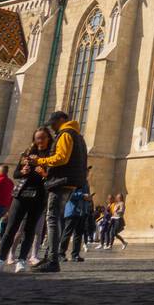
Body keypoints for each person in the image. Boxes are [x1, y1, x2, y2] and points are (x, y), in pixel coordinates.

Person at [27, 110, 89, 273]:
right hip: (70, 182)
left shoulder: (66, 134)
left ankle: (53, 259)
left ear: (62, 120)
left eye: (54, 123)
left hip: (61, 181)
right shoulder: (78, 136)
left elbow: (61, 157)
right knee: (56, 218)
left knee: (52, 218)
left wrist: (40, 161)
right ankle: (50, 256)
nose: (53, 128)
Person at [0, 128, 51, 272]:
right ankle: (0, 259)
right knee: (11, 227)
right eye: (37, 138)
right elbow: (15, 174)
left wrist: (44, 173)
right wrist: (23, 172)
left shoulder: (51, 156)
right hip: (21, 193)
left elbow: (52, 177)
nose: (40, 141)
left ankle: (21, 261)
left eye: (43, 138)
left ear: (48, 139)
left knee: (30, 230)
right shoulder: (27, 154)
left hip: (39, 195)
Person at [61, 181, 91, 262]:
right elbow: (69, 195)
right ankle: (61, 254)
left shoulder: (86, 183)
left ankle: (75, 255)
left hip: (82, 212)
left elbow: (87, 196)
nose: (87, 172)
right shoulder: (74, 180)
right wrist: (82, 195)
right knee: (67, 233)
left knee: (78, 234)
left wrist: (88, 199)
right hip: (72, 211)